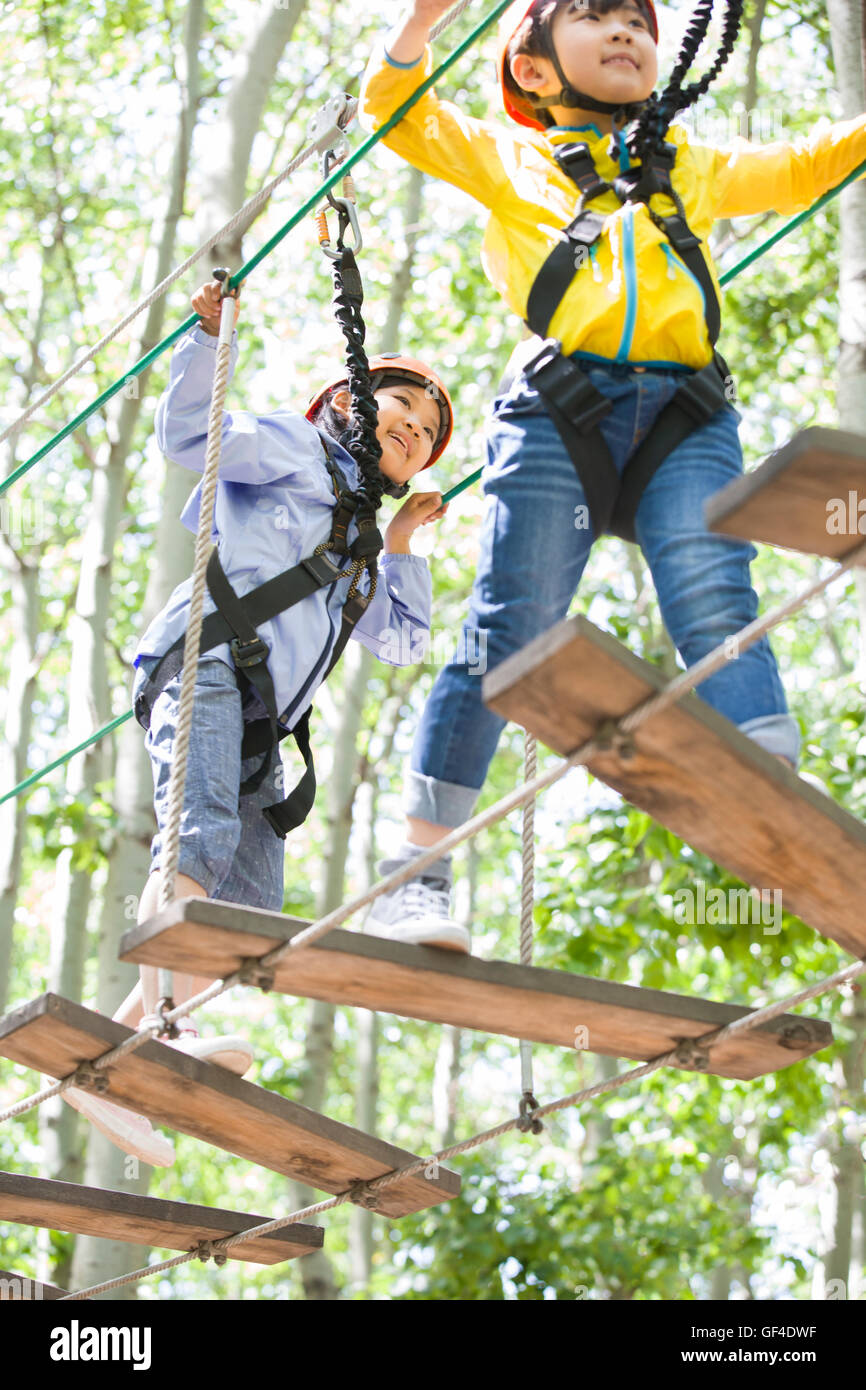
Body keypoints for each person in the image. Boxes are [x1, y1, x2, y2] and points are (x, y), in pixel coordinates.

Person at [356, 0, 866, 955]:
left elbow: (806, 165)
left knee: (716, 594)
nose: (628, 29)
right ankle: (416, 876)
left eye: (639, 19)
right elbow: (401, 116)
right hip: (560, 410)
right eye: (596, 18)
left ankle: (774, 799)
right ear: (537, 70)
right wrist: (420, 24)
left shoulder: (691, 169)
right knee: (511, 629)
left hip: (687, 413)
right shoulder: (512, 163)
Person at [62, 278, 454, 1165]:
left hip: (260, 728)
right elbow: (190, 438)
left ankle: (103, 1066)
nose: (415, 433)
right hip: (203, 665)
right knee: (194, 839)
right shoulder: (290, 444)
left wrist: (400, 553)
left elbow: (401, 646)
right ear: (351, 401)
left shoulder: (363, 548)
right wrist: (208, 342)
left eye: (427, 435)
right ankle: (160, 1029)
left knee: (247, 910)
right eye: (403, 410)